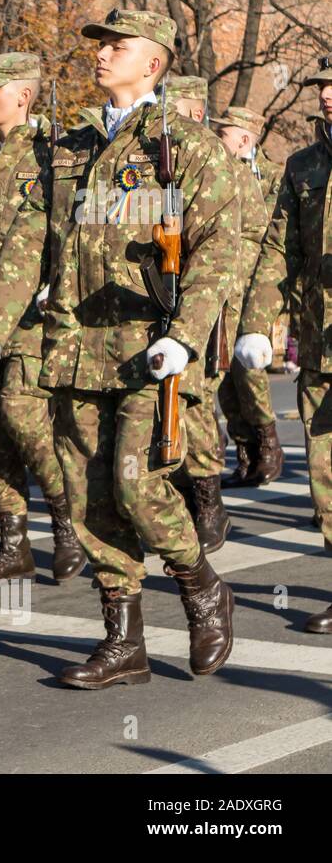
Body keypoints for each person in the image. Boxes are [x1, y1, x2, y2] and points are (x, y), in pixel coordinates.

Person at [41, 9, 237, 690]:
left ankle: (200, 586)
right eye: (100, 46)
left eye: (117, 48)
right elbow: (36, 245)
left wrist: (186, 337)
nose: (101, 56)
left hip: (148, 350)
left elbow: (219, 252)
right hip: (74, 348)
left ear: (151, 64)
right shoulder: (72, 147)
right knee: (86, 496)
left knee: (135, 482)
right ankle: (122, 641)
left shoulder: (185, 146)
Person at [0, 53, 84, 582]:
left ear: (24, 95)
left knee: (22, 415)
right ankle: (13, 541)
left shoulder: (59, 155)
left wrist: (60, 278)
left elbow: (79, 226)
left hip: (34, 317)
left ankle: (67, 522)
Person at [236, 58, 332, 635]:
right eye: (323, 86)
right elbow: (278, 253)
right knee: (326, 475)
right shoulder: (304, 166)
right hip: (322, 349)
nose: (327, 96)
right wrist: (255, 322)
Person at [159, 75, 233, 554]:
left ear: (199, 114)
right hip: (159, 290)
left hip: (206, 298)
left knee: (198, 402)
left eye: (180, 112)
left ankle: (207, 498)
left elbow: (236, 242)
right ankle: (179, 493)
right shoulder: (156, 157)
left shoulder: (215, 160)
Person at [212, 106, 284, 487]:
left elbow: (268, 240)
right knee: (224, 374)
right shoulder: (215, 172)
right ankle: (244, 453)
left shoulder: (269, 176)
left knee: (248, 373)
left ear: (242, 139)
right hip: (220, 288)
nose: (215, 139)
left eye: (222, 134)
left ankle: (267, 446)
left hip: (250, 287)